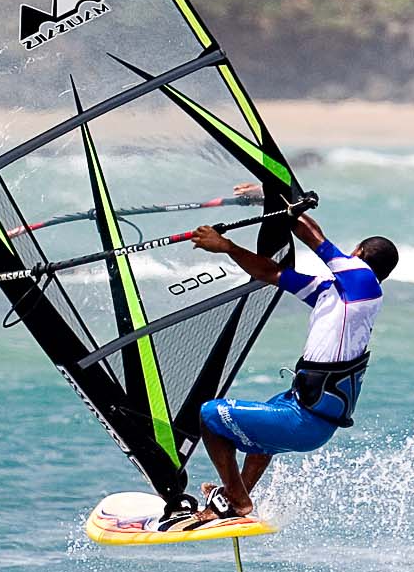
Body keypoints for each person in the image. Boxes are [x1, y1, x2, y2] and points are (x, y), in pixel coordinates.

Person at [162, 208, 397, 528]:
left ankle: (237, 500)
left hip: (305, 421)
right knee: (269, 408)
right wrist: (228, 247)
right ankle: (235, 500)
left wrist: (279, 198)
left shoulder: (363, 281)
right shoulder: (336, 296)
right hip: (305, 411)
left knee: (209, 414)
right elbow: (270, 273)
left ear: (358, 254)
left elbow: (315, 239)